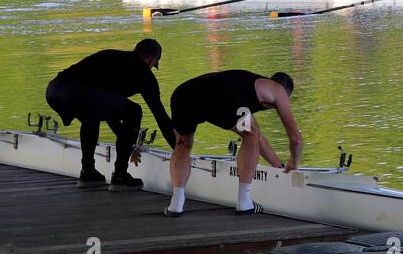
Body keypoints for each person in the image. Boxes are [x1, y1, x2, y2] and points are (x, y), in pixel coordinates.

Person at [165, 70, 302, 218]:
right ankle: (244, 202)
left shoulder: (247, 84)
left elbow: (256, 136)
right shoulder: (278, 90)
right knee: (251, 133)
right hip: (220, 94)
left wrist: (278, 167)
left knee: (183, 144)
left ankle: (176, 204)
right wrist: (293, 163)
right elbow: (296, 139)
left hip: (183, 94)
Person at [45, 38, 177, 190]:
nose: (152, 68)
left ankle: (88, 173)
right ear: (152, 59)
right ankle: (120, 175)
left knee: (91, 115)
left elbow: (106, 108)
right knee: (134, 111)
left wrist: (127, 139)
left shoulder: (112, 56)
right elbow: (161, 117)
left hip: (54, 90)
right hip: (79, 92)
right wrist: (179, 148)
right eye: (154, 65)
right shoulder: (144, 74)